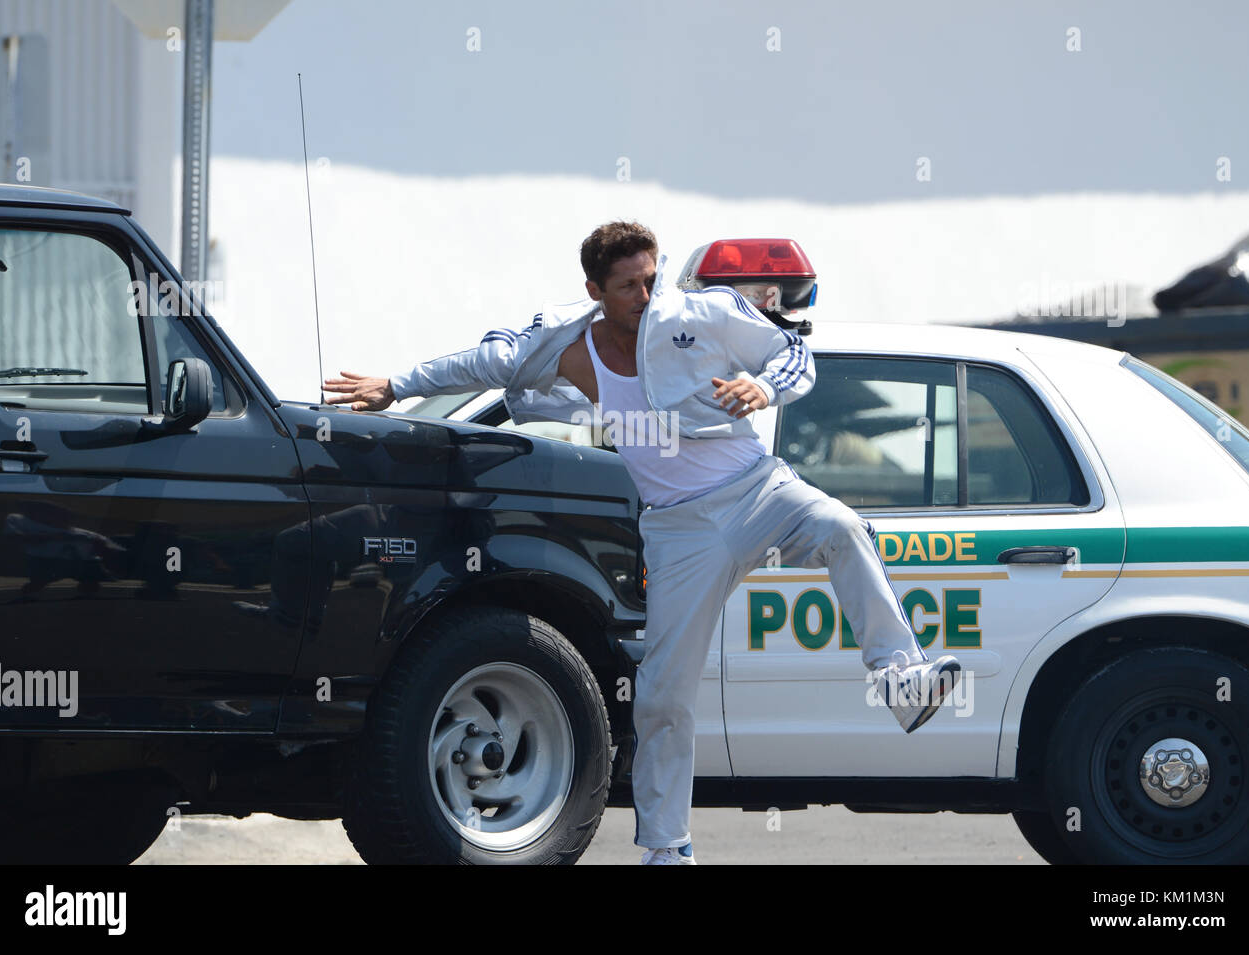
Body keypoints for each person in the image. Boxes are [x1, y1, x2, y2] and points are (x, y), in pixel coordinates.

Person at [322, 221, 961, 866]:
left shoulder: (706, 312)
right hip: (680, 529)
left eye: (652, 277)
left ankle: (902, 677)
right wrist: (396, 386)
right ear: (596, 289)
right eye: (629, 285)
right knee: (663, 693)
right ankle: (666, 848)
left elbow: (793, 355)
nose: (646, 294)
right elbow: (481, 362)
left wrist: (762, 387)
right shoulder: (563, 343)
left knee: (843, 528)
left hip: (756, 490)